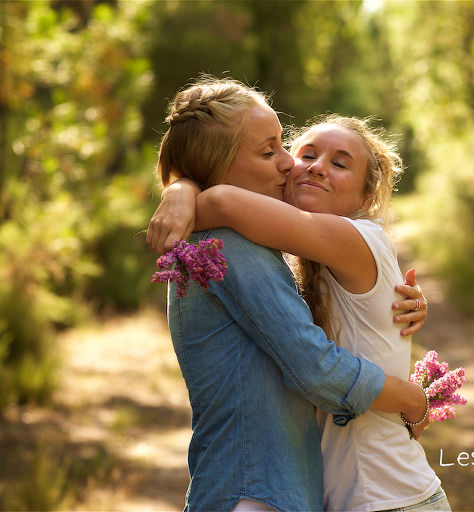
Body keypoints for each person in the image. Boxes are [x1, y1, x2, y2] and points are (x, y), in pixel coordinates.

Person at [147, 76, 433, 512]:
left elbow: (223, 199)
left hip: (380, 495)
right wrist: (410, 397)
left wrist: (184, 189)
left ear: (368, 194)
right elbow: (315, 367)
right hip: (262, 493)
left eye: (340, 163)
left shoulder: (311, 242)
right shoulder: (231, 246)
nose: (293, 165)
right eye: (286, 152)